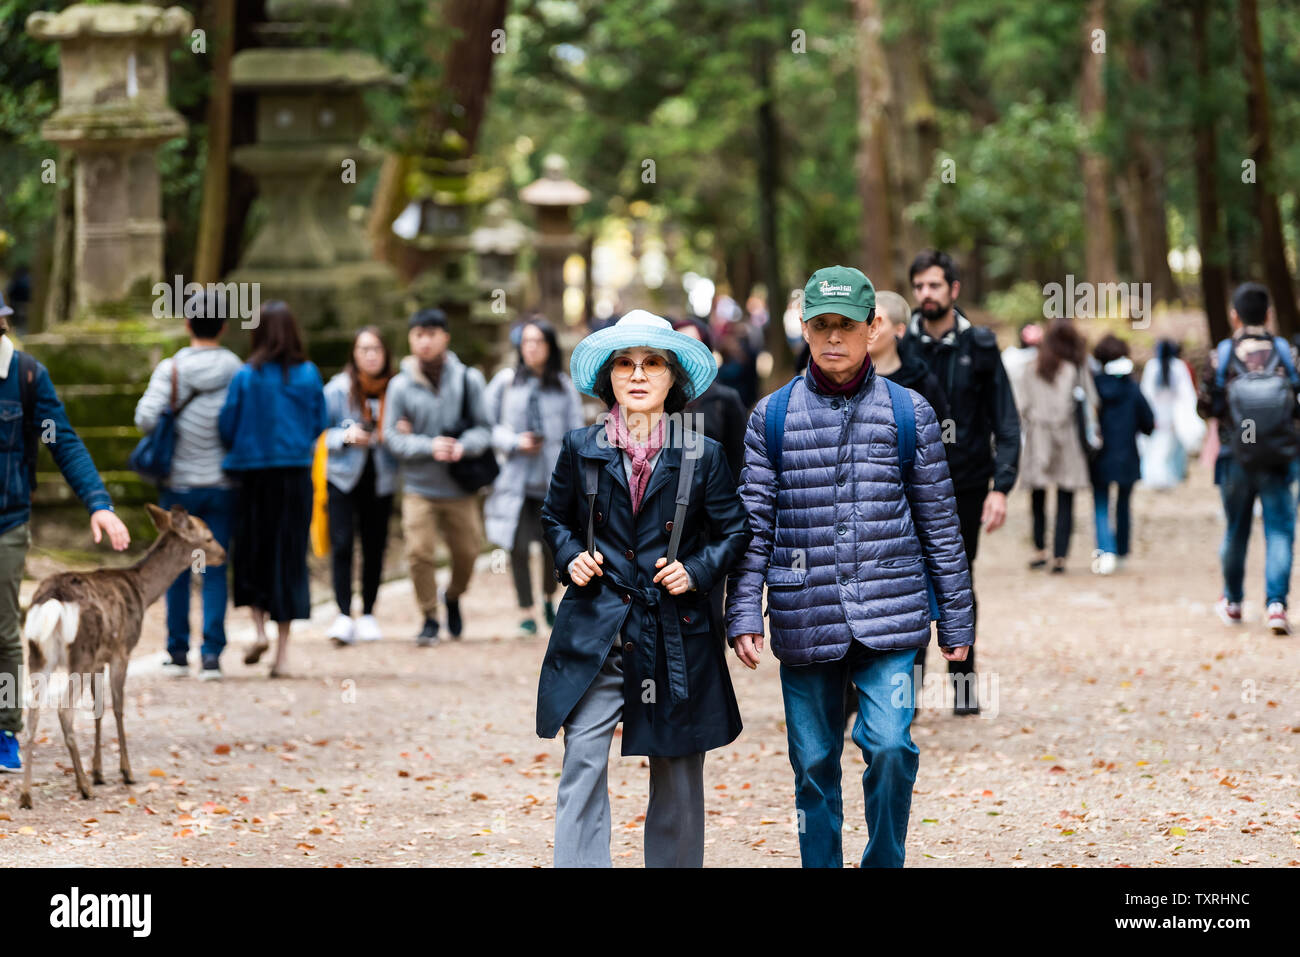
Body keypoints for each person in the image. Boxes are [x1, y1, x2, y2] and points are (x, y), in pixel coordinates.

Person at [728, 266, 974, 868]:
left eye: (846, 326)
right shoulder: (772, 417)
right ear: (804, 332)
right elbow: (754, 526)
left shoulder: (909, 412)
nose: (833, 339)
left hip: (892, 615)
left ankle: (884, 859)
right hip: (803, 613)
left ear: (873, 328)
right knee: (812, 763)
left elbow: (940, 524)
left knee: (890, 746)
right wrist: (741, 612)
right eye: (821, 327)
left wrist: (958, 621)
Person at [537, 309, 751, 868]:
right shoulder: (579, 446)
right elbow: (553, 517)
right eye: (625, 364)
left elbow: (735, 531)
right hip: (597, 630)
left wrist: (699, 570)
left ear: (671, 378)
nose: (637, 374)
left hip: (674, 633)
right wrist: (569, 556)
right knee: (582, 758)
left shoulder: (704, 453)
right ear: (608, 377)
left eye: (652, 363)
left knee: (679, 772)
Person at [0, 291, 130, 771]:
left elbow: (61, 440)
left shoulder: (27, 377)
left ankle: (4, 727)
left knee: (1, 629)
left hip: (6, 523)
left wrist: (99, 503)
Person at [905, 249, 1018, 714]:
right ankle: (902, 696)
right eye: (918, 287)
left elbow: (1006, 421)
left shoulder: (982, 346)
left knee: (957, 579)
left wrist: (1001, 486)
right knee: (904, 583)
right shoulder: (898, 344)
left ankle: (964, 689)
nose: (925, 294)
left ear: (953, 289)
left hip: (966, 484)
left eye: (934, 285)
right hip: (906, 485)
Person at [134, 289, 242, 678]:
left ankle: (177, 651)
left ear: (186, 324)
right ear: (224, 326)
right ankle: (211, 654)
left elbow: (144, 420)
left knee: (177, 565)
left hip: (178, 486)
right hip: (222, 483)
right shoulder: (236, 369)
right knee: (214, 565)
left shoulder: (172, 369)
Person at [218, 301, 327, 676]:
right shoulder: (309, 374)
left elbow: (227, 426)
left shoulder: (246, 377)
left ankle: (259, 629)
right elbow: (319, 423)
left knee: (253, 553)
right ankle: (282, 654)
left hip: (251, 477)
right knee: (289, 558)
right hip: (294, 478)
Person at [383, 308, 490, 646]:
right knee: (419, 553)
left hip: (459, 487)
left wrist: (463, 446)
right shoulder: (399, 386)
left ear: (445, 337)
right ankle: (429, 616)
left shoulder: (467, 379)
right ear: (411, 339)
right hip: (419, 487)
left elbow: (485, 429)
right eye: (418, 335)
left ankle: (453, 595)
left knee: (468, 553)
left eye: (431, 334)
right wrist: (429, 446)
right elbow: (391, 436)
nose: (425, 341)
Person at [1197, 282, 1300, 635]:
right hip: (1279, 455)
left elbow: (1206, 405)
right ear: (1269, 314)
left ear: (1234, 315)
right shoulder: (1287, 354)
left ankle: (1235, 601)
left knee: (1236, 529)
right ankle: (1276, 606)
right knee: (1280, 530)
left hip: (1236, 454)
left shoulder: (1222, 356)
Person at [483, 318, 584, 637]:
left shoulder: (563, 385)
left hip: (553, 481)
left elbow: (576, 431)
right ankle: (525, 609)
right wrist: (514, 441)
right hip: (515, 480)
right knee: (516, 546)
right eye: (526, 341)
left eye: (538, 341)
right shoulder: (505, 382)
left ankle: (547, 598)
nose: (531, 347)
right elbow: (486, 426)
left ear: (549, 346)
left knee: (551, 547)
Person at [323, 326, 397, 646]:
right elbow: (319, 433)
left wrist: (395, 431)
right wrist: (345, 436)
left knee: (374, 546)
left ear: (385, 353)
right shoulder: (337, 389)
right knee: (341, 544)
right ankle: (342, 613)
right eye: (363, 349)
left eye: (376, 349)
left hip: (381, 478)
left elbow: (408, 430)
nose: (370, 355)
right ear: (354, 354)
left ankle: (368, 612)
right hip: (342, 477)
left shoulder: (396, 389)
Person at [1011, 318, 1098, 574]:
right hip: (1068, 435)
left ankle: (1040, 549)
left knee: (1037, 496)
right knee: (1065, 495)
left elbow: (1021, 406)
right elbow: (1091, 400)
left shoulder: (1031, 367)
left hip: (1038, 436)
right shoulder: (1076, 368)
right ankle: (1060, 555)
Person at [1089, 335, 1154, 575]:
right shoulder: (1132, 387)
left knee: (1101, 504)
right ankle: (1123, 550)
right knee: (1124, 504)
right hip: (1127, 455)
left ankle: (1106, 551)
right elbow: (1148, 421)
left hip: (1100, 456)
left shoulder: (1093, 385)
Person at [671, 317, 748, 480]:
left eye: (693, 344)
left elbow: (740, 459)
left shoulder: (725, 399)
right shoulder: (658, 399)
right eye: (679, 344)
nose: (686, 352)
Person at [870, 291, 950, 424]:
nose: (868, 330)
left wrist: (949, 444)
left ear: (899, 330)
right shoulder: (845, 376)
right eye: (865, 323)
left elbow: (947, 428)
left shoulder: (922, 381)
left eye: (876, 323)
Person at [1139, 340, 1203, 489]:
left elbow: (1146, 393)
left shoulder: (1152, 366)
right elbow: (1187, 393)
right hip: (1173, 413)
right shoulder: (1178, 366)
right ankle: (1169, 476)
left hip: (1158, 413)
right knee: (1170, 448)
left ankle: (1156, 477)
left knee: (1155, 447)